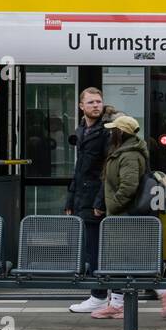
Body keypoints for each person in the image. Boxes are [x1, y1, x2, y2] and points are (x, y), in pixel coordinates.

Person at [93, 112, 166, 320]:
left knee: (126, 260)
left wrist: (112, 204)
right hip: (121, 216)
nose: (110, 133)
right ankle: (117, 304)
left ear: (121, 132)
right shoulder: (122, 151)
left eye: (113, 129)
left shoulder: (130, 155)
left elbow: (128, 186)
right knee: (120, 260)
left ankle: (163, 292)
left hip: (126, 216)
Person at [65, 88, 115, 315]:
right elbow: (80, 170)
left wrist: (100, 201)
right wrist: (70, 199)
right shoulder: (83, 130)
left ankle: (99, 295)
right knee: (90, 248)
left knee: (96, 249)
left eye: (99, 101)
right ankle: (102, 295)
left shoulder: (106, 132)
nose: (96, 105)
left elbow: (108, 170)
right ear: (81, 106)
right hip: (83, 197)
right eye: (91, 102)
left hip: (97, 198)